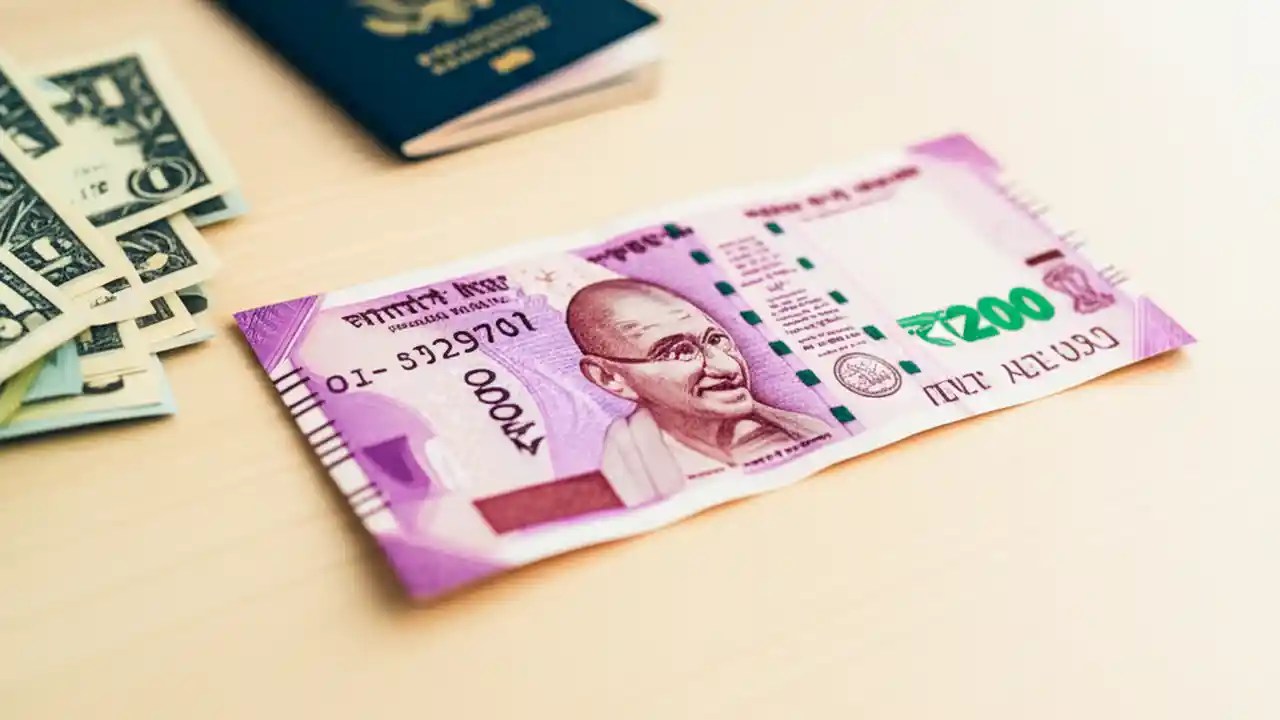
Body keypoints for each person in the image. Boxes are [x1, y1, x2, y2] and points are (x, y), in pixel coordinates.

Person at [567, 278, 829, 506]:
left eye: (716, 340)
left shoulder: (805, 430)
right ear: (611, 378)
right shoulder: (622, 472)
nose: (727, 367)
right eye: (679, 352)